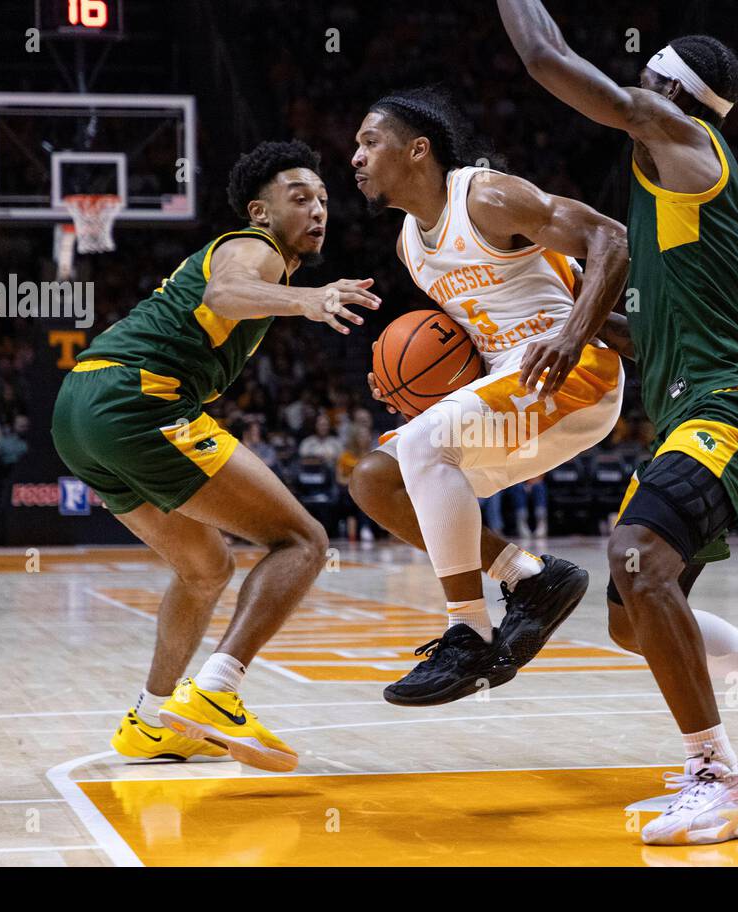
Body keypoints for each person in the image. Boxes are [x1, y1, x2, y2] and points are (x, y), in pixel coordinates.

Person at [498, 1, 738, 846]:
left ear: (673, 93)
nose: (631, 92)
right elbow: (657, 331)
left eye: (644, 83)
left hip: (727, 406)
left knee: (636, 557)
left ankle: (720, 775)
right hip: (690, 406)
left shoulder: (687, 148)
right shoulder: (684, 195)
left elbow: (545, 55)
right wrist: (572, 323)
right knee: (632, 616)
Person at [51, 140, 380, 771]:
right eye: (299, 196)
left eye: (323, 198)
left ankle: (151, 722)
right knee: (303, 541)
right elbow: (227, 293)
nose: (317, 210)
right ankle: (217, 691)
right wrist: (308, 301)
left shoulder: (264, 260)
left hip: (79, 409)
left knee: (204, 568)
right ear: (260, 210)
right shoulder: (252, 249)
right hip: (136, 399)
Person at [348, 86, 629, 705]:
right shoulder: (409, 245)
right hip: (510, 381)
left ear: (417, 150)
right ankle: (528, 577)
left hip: (573, 372)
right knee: (375, 479)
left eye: (370, 142)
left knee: (426, 447)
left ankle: (467, 633)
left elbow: (611, 239)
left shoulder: (486, 196)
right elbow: (472, 343)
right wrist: (410, 387)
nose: (356, 157)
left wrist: (571, 338)